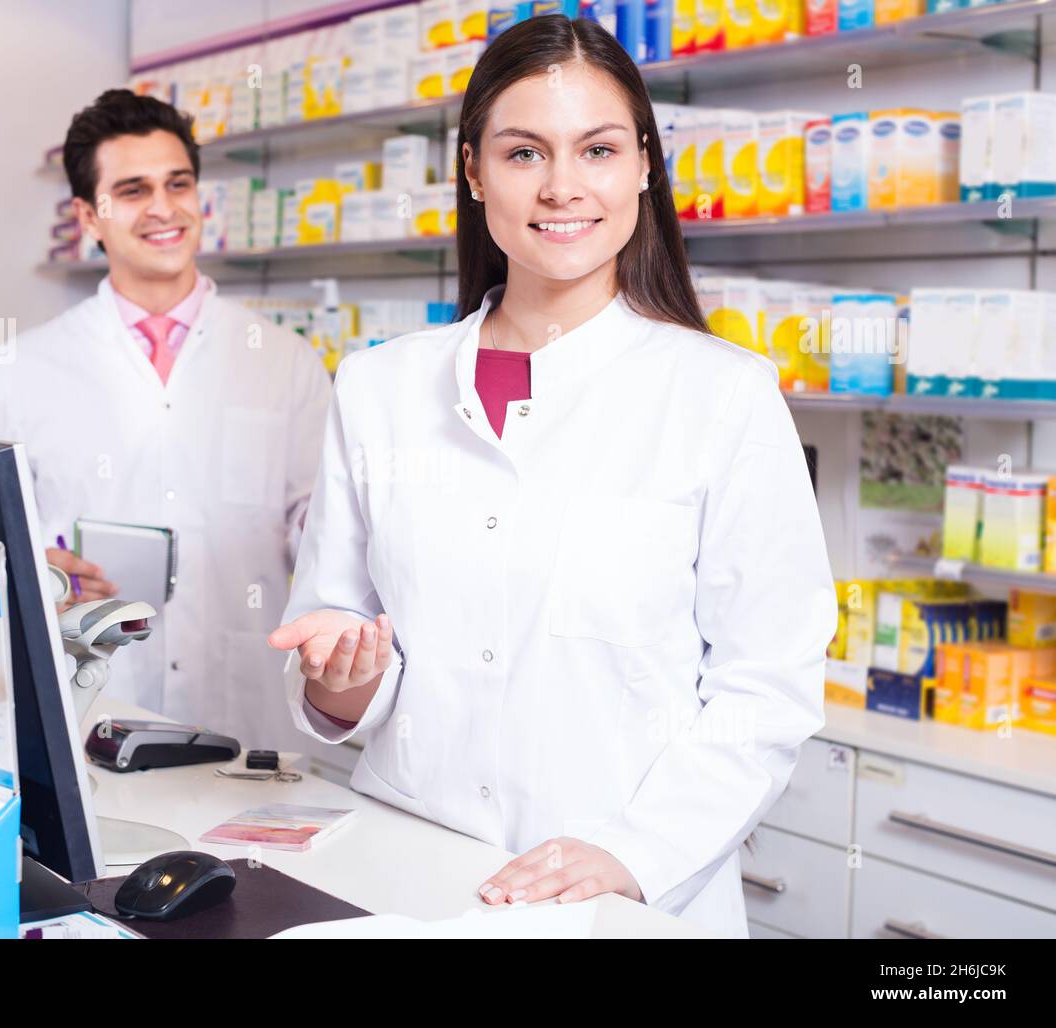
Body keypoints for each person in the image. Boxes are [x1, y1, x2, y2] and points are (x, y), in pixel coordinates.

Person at [267, 15, 836, 938]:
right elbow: (335, 650)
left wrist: (637, 853)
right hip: (410, 868)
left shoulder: (722, 395)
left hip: (623, 898)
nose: (563, 186)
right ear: (473, 171)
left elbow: (767, 684)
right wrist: (340, 682)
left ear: (645, 166)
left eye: (599, 149)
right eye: (524, 151)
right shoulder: (379, 387)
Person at [0, 90, 331, 754]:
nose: (164, 208)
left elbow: (331, 541)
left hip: (247, 717)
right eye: (134, 190)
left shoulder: (284, 360)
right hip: (90, 704)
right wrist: (41, 572)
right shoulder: (26, 366)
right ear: (89, 215)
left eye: (179, 184)